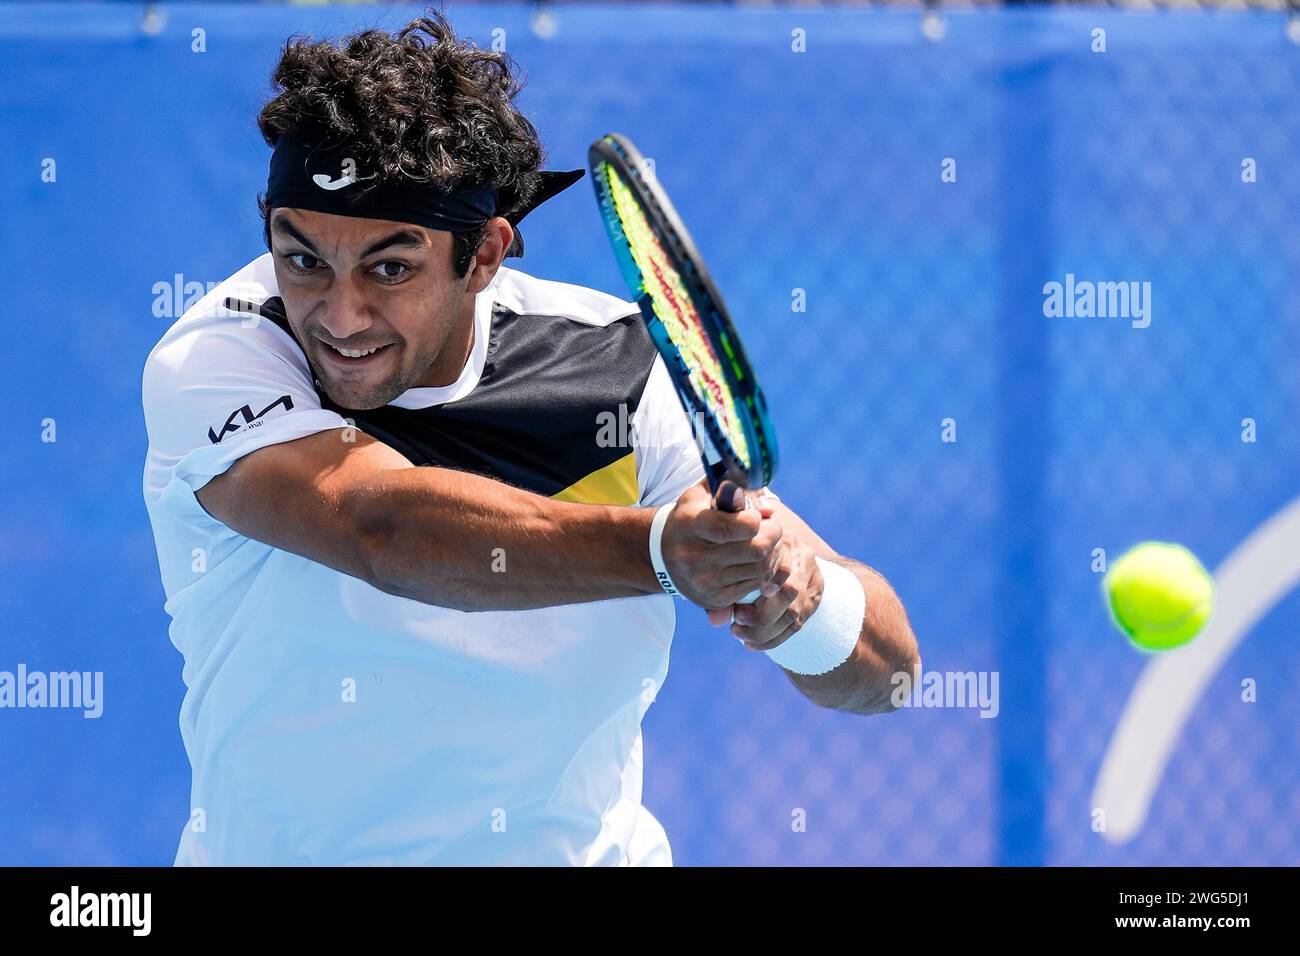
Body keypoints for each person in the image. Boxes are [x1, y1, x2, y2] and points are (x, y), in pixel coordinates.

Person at [141, 12, 919, 866]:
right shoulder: (225, 350)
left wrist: (795, 597)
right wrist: (663, 550)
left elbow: (889, 676)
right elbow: (376, 526)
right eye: (303, 259)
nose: (338, 314)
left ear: (485, 254)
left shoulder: (620, 370)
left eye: (389, 268)